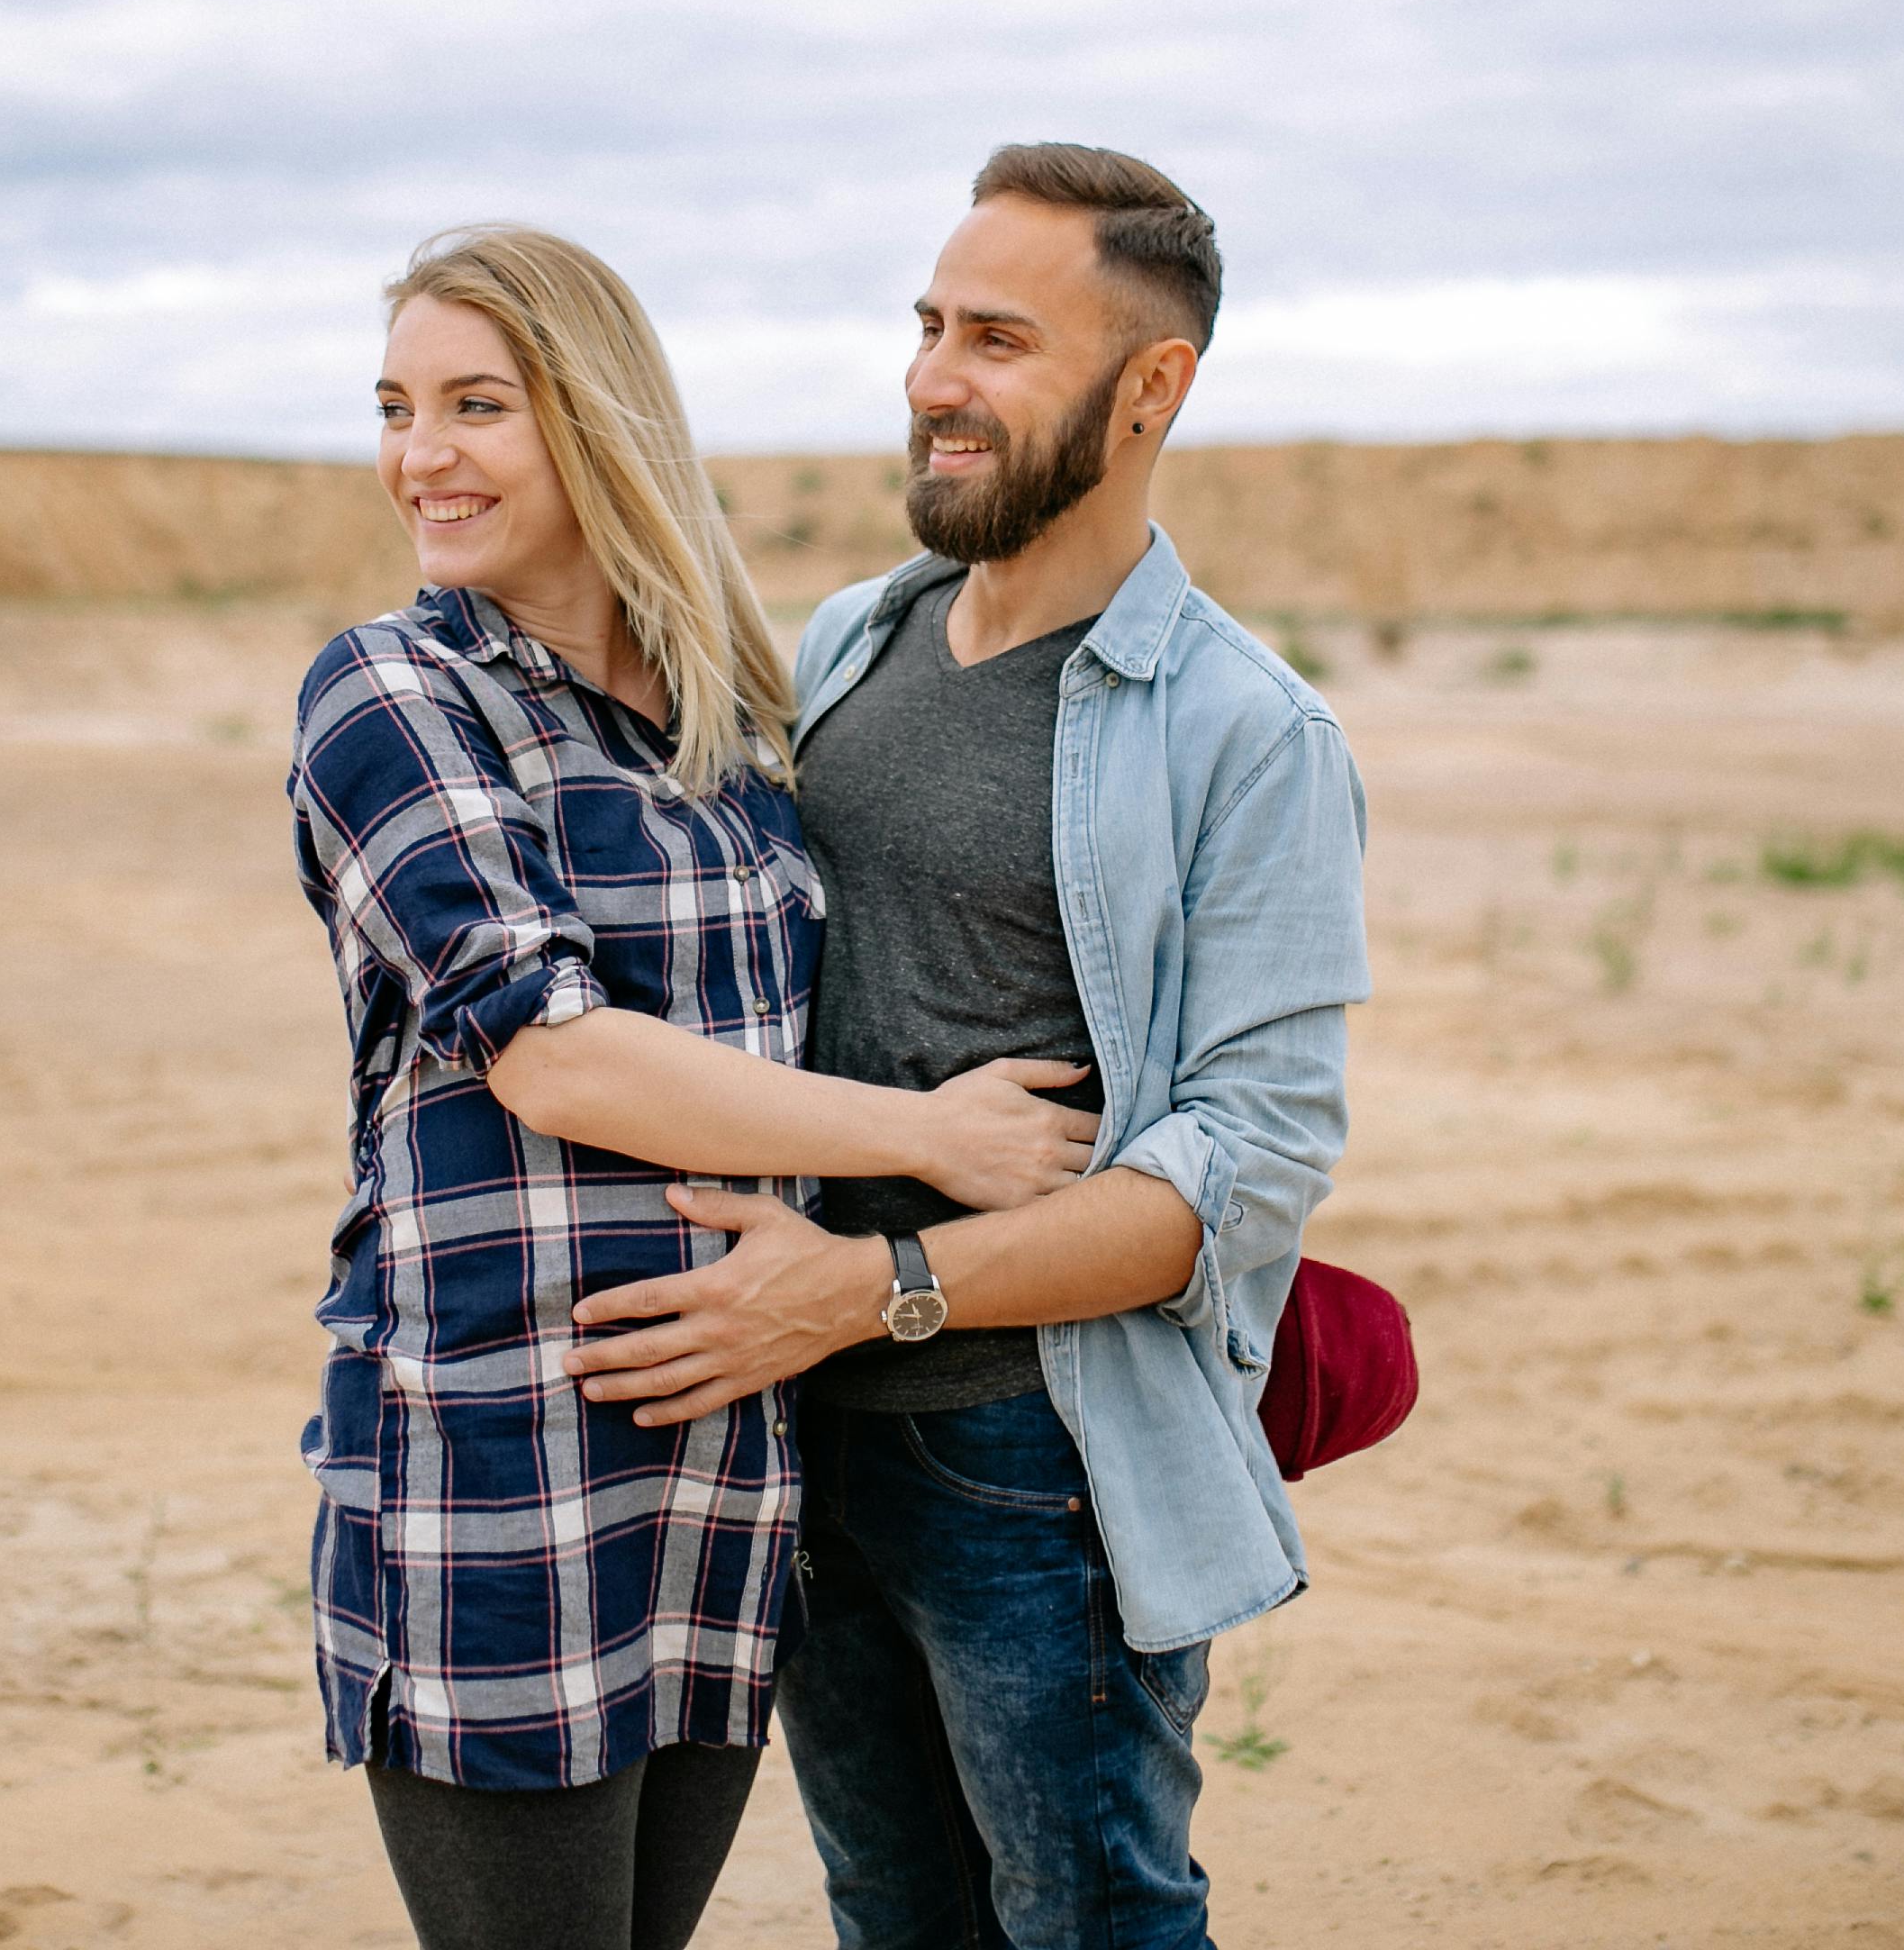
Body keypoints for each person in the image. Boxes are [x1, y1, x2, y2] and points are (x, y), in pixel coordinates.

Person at [561, 145, 1375, 1948]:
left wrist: (865, 1290)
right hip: (800, 1435)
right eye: (930, 324)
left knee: (1089, 1918)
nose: (933, 376)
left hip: (1041, 1462)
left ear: (1150, 388)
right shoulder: (860, 637)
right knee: (893, 1916)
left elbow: (1234, 1184)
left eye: (999, 337)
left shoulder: (1248, 735)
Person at [284, 224, 1097, 1950]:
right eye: (397, 407)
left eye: (477, 405)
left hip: (727, 1455)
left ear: (597, 423)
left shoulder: (729, 710)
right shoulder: (394, 693)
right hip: (506, 1457)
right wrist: (934, 1140)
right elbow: (555, 1055)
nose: (422, 455)